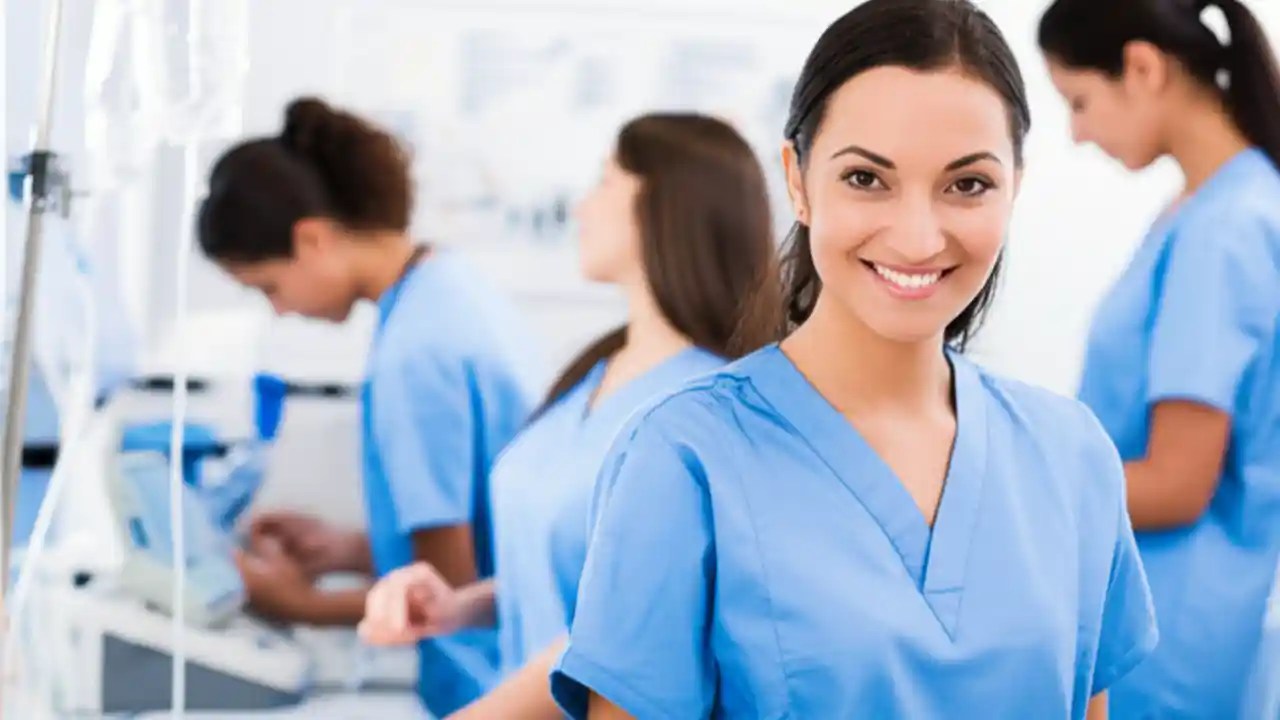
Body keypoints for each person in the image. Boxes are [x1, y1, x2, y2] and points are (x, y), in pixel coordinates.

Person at [545, 1, 1159, 718]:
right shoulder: (684, 457)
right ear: (798, 181)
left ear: (1014, 186)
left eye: (968, 184)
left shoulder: (1071, 456)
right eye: (867, 178)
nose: (918, 238)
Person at [357, 112, 780, 718]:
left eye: (605, 182)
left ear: (665, 206)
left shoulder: (706, 411)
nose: (581, 208)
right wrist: (458, 606)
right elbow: (566, 577)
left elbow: (622, 630)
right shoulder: (595, 371)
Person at [196, 97, 534, 716]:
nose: (278, 310)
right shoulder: (449, 290)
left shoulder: (414, 354)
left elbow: (449, 590)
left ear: (312, 239)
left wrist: (300, 605)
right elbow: (479, 536)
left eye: (269, 286)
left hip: (490, 682)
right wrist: (347, 549)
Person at [1039, 1, 1280, 716]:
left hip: (1170, 641)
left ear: (1142, 68)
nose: (1078, 133)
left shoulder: (1226, 229)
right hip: (1169, 617)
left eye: (1079, 101)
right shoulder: (1208, 208)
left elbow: (1178, 483)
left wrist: (1017, 483)